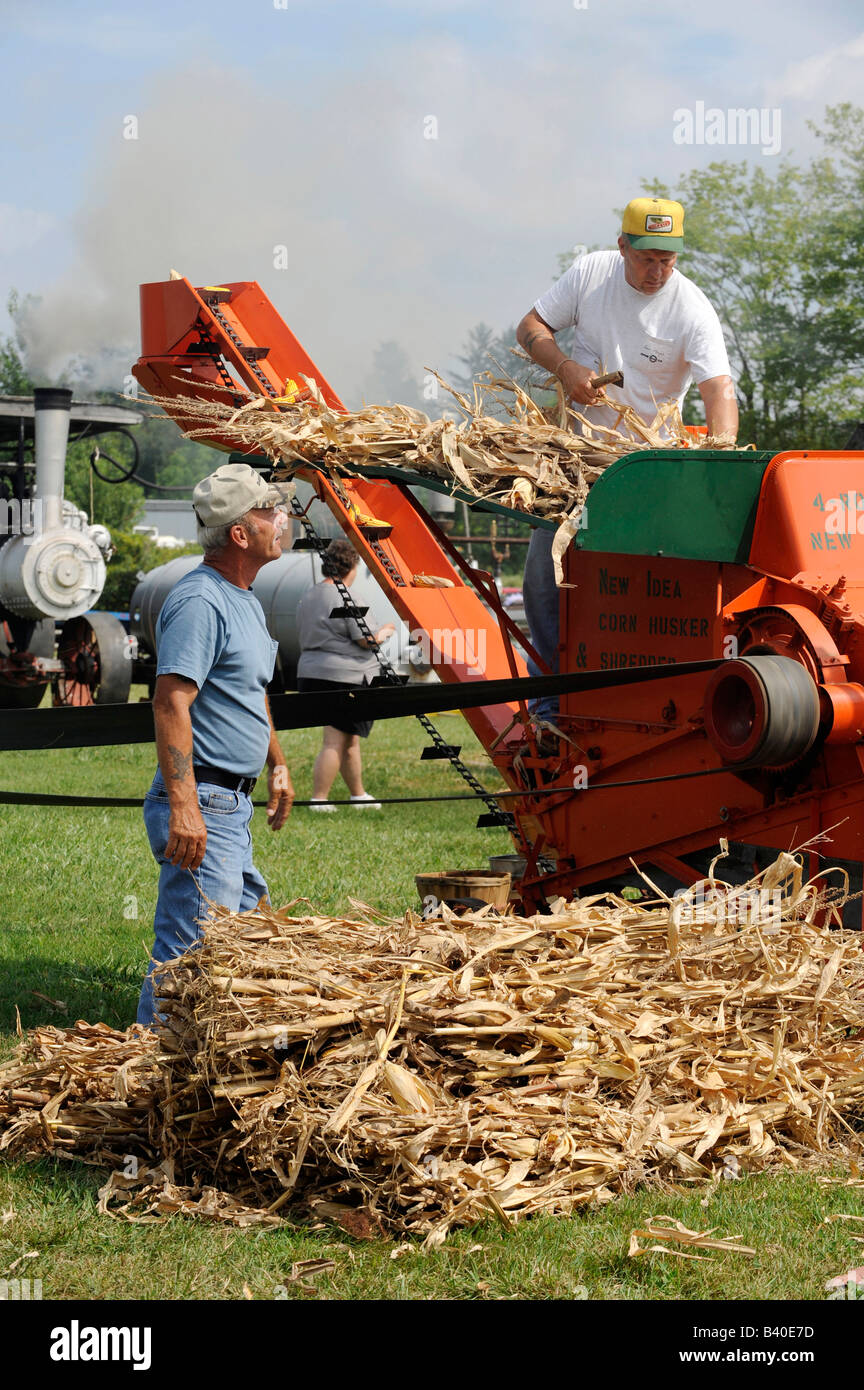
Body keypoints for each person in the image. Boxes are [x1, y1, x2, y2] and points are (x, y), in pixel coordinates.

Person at [515, 196, 739, 722]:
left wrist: (723, 450)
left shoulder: (691, 308)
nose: (658, 270)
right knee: (544, 580)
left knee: (638, 588)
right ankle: (549, 705)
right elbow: (530, 328)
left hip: (648, 473)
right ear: (623, 247)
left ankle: (651, 703)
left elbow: (718, 386)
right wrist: (565, 366)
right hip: (575, 463)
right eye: (647, 258)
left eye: (668, 258)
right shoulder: (591, 273)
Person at [137, 462, 296, 1026]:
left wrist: (276, 762)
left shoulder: (244, 598)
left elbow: (248, 691)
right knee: (188, 958)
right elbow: (169, 702)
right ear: (238, 533)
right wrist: (183, 805)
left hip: (231, 804)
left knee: (254, 943)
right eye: (268, 511)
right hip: (202, 799)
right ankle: (145, 1081)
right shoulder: (202, 602)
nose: (281, 520)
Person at [296, 538, 395, 810]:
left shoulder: (309, 596)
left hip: (311, 674)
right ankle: (319, 799)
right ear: (352, 566)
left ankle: (358, 794)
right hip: (344, 678)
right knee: (334, 740)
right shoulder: (346, 595)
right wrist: (387, 630)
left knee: (349, 738)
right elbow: (367, 639)